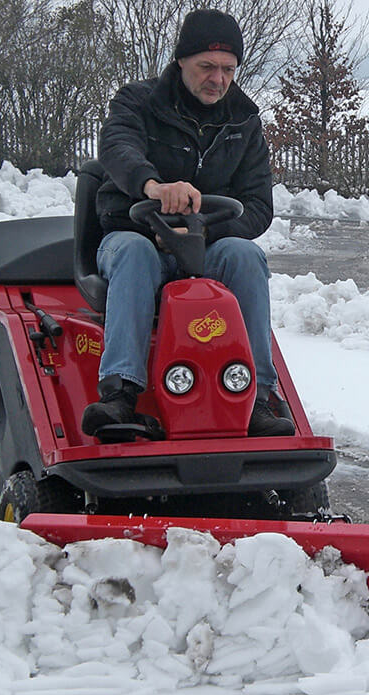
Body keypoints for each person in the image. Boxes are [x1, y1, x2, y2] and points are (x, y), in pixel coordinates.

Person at [82, 8, 294, 438]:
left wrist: (202, 230)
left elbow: (257, 206)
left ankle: (257, 396)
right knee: (136, 253)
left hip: (205, 247)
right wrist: (154, 187)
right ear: (181, 61)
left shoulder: (244, 121)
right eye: (207, 67)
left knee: (246, 255)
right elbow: (117, 149)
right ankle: (121, 392)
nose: (218, 79)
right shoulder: (137, 103)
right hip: (134, 234)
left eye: (229, 69)